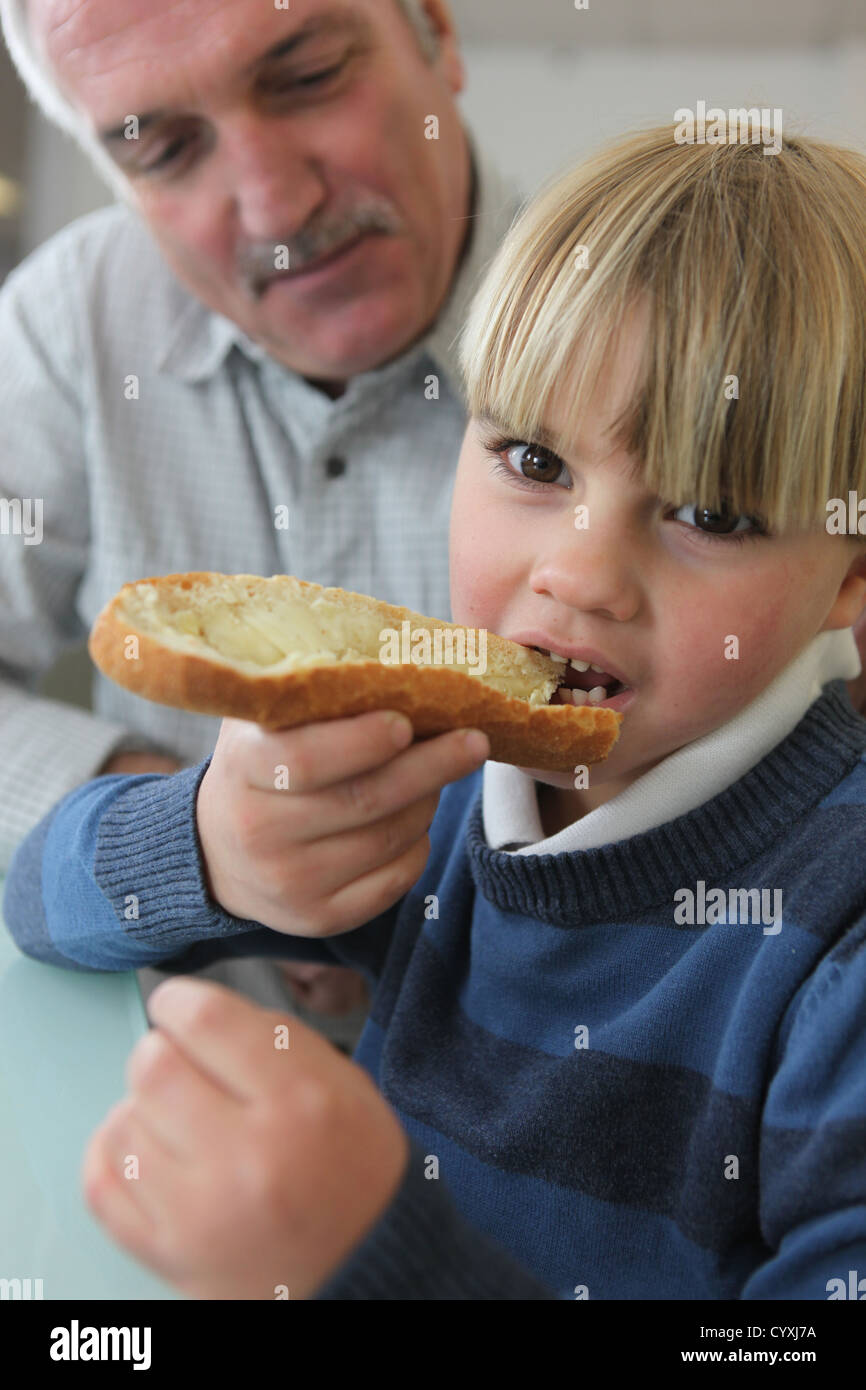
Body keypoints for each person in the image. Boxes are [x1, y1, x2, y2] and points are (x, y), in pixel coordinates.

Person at [7, 121, 866, 1300]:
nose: (577, 574)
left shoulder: (835, 949)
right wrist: (214, 847)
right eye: (533, 461)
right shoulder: (435, 777)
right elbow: (38, 903)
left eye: (708, 516)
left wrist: (369, 1259)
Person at [0, 0, 522, 1032]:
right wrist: (181, 823)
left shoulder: (655, 331)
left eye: (308, 76)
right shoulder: (71, 329)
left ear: (434, 29)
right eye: (164, 149)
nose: (276, 207)